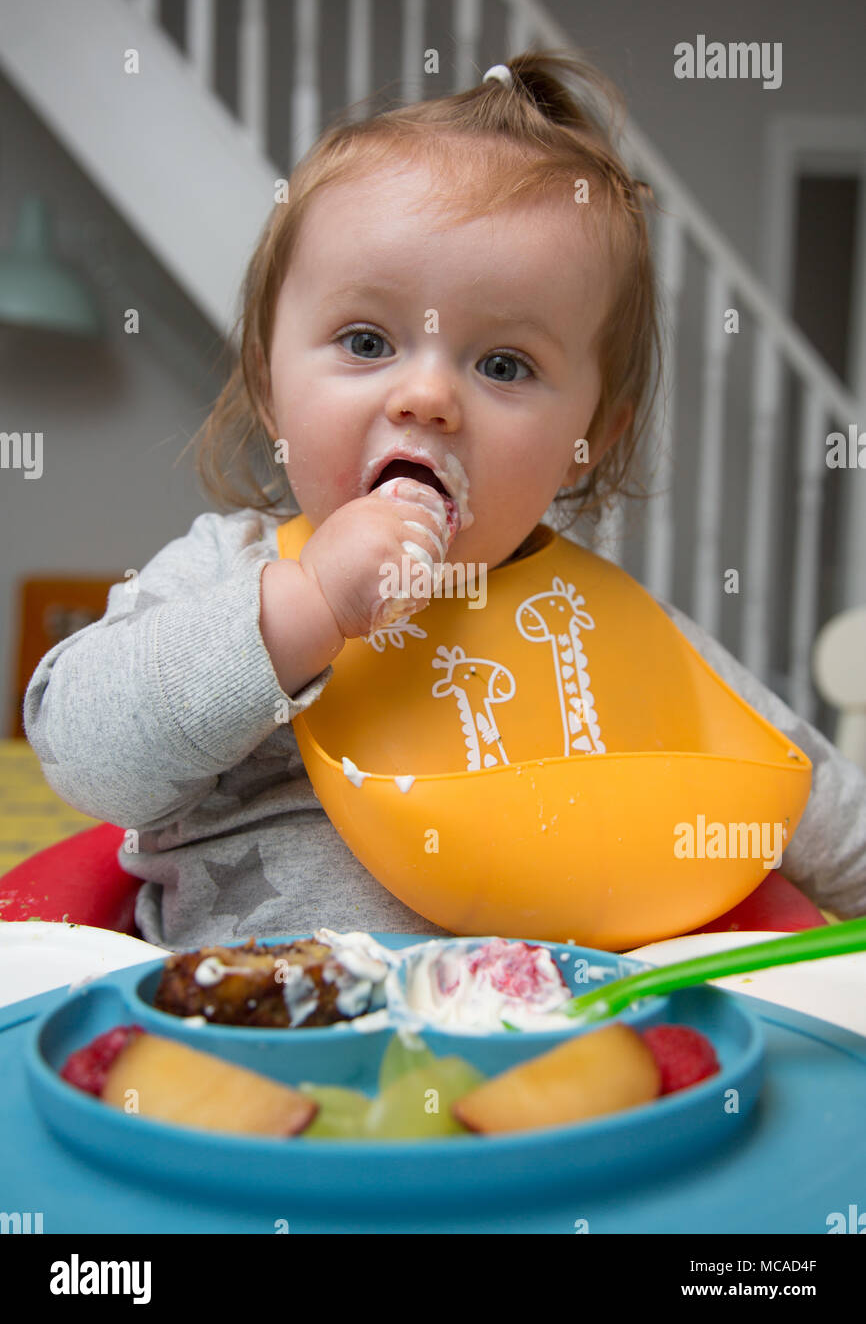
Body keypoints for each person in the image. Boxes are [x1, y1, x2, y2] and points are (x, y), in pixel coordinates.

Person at [23, 51, 866, 951]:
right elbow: (83, 752)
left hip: (533, 1066)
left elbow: (800, 792)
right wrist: (301, 610)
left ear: (595, 435)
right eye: (365, 339)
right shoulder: (233, 572)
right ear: (270, 383)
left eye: (504, 364)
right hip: (254, 1054)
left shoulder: (603, 627)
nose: (426, 395)